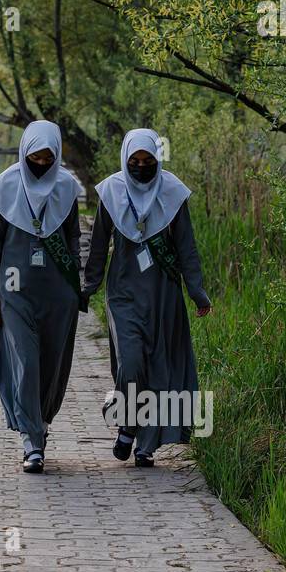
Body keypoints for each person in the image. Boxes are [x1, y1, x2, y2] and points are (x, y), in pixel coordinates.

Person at [82, 128, 211, 468]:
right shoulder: (111, 192)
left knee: (158, 368)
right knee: (132, 362)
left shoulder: (172, 192)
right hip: (123, 293)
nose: (141, 166)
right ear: (125, 160)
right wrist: (88, 287)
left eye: (148, 160)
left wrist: (197, 292)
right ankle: (127, 422)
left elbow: (187, 248)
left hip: (163, 295)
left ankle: (146, 445)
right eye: (134, 161)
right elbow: (98, 247)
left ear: (158, 159)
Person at [0, 120, 84, 473]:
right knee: (26, 361)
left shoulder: (67, 187)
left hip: (58, 294)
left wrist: (76, 285)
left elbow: (73, 239)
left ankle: (41, 422)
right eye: (34, 157)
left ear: (56, 156)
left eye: (47, 157)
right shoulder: (4, 187)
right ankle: (31, 441)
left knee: (50, 363)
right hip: (16, 292)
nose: (40, 163)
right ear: (24, 152)